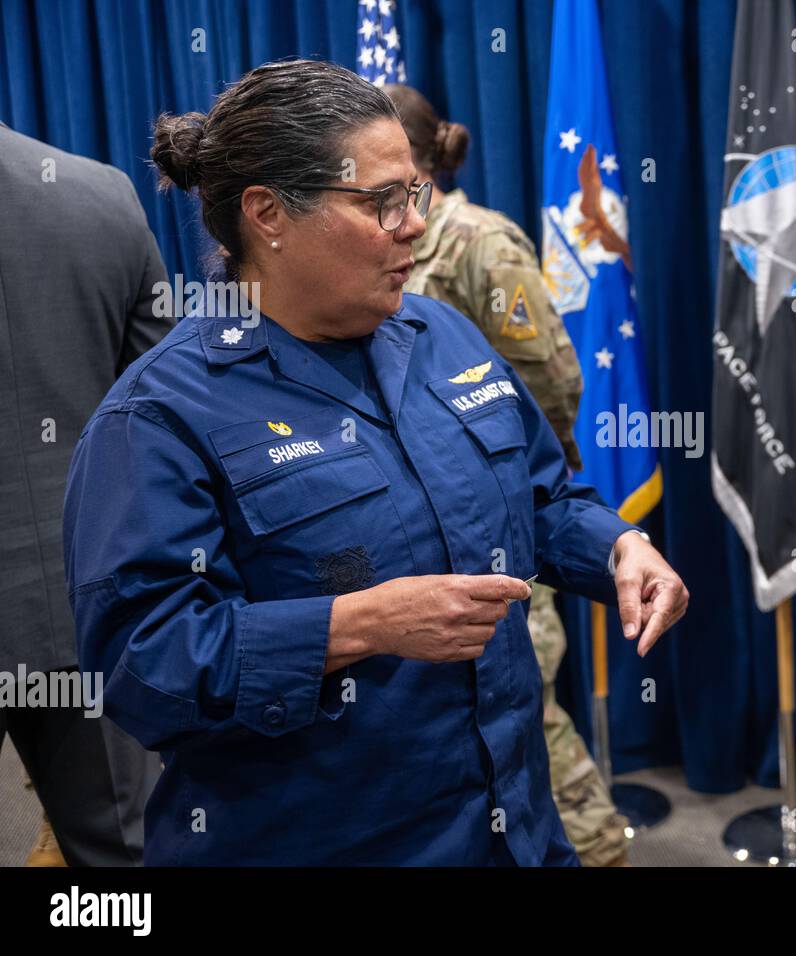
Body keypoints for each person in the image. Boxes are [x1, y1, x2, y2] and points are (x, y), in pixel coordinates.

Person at [62, 58, 688, 866]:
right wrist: (359, 626)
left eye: (415, 193)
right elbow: (140, 668)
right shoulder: (158, 416)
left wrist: (615, 547)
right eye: (381, 202)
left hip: (517, 832)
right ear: (268, 214)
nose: (415, 225)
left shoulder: (444, 338)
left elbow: (541, 495)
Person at [385, 82, 631, 867]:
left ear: (417, 160)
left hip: (491, 526)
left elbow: (551, 380)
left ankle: (596, 847)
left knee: (527, 711)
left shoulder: (480, 243)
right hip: (416, 544)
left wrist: (517, 481)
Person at [0, 121, 172, 866]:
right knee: (122, 863)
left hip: (91, 611)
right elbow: (164, 424)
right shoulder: (101, 194)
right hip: (88, 611)